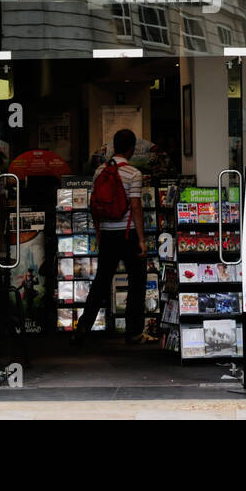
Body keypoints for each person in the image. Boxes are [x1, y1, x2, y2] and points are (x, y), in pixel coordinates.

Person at [73, 129, 151, 346]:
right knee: (137, 282)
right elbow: (135, 206)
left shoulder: (100, 171)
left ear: (113, 147)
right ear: (131, 149)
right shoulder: (134, 174)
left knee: (100, 282)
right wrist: (142, 240)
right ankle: (134, 332)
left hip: (107, 233)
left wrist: (99, 232)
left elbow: (95, 206)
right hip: (128, 235)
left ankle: (82, 328)